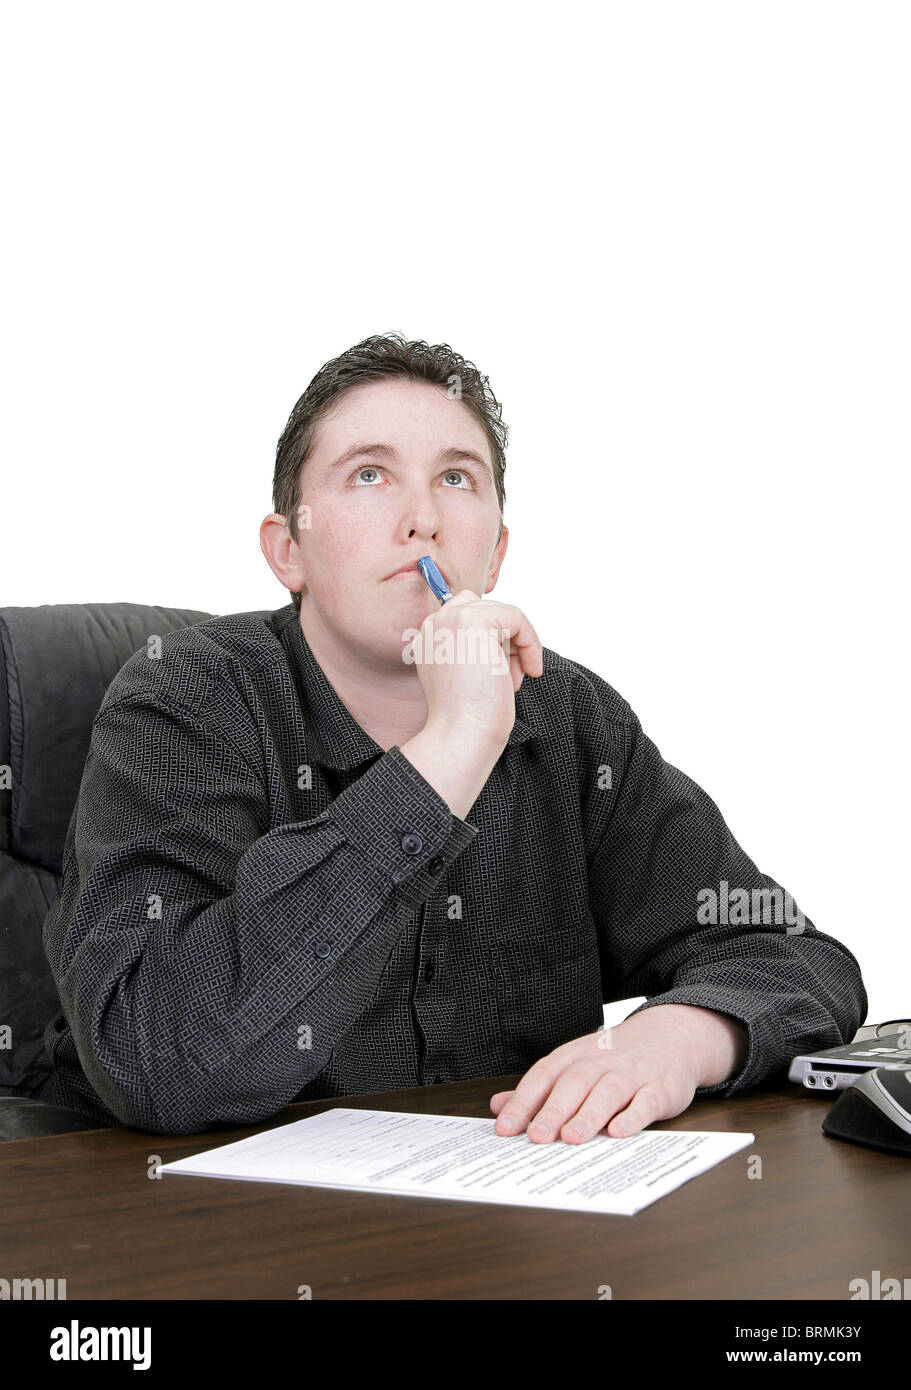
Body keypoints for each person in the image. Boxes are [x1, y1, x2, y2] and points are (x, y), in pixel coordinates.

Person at [42, 332, 867, 1139]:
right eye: (369, 474)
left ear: (495, 554)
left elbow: (790, 953)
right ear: (286, 549)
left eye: (457, 479)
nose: (422, 518)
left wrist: (675, 1039)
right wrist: (449, 751)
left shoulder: (568, 717)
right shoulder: (184, 698)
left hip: (497, 1217)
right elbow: (156, 1059)